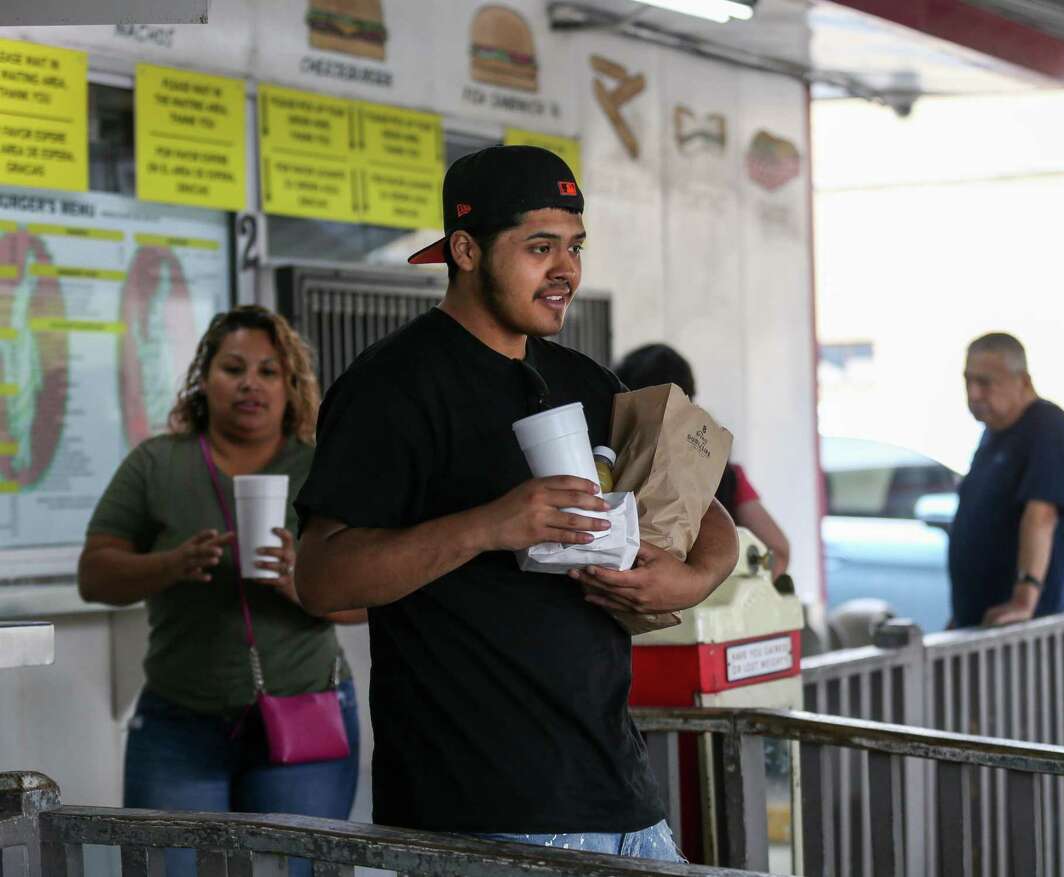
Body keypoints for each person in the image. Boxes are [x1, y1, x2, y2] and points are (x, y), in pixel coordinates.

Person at [292, 146, 738, 862]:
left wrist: (692, 577)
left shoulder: (582, 377)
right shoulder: (392, 386)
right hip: (479, 813)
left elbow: (704, 503)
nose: (566, 269)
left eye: (574, 246)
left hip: (624, 797)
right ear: (465, 249)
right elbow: (320, 577)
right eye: (539, 246)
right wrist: (490, 524)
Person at [79, 306, 364, 877]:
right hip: (178, 723)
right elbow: (95, 575)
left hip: (304, 711)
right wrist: (169, 564)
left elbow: (368, 599)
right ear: (204, 379)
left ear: (290, 387)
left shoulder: (322, 467)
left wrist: (300, 582)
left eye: (268, 371)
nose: (251, 384)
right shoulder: (157, 463)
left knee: (296, 870)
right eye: (234, 368)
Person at [614, 342, 790, 578]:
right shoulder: (726, 474)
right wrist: (737, 573)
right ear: (690, 399)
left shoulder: (605, 462)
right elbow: (777, 552)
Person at [949, 332, 1064, 628]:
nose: (973, 394)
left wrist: (1024, 597)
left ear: (1023, 381)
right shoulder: (992, 433)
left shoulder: (1047, 426)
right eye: (967, 381)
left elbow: (1042, 514)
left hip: (1020, 629)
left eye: (985, 382)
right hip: (981, 622)